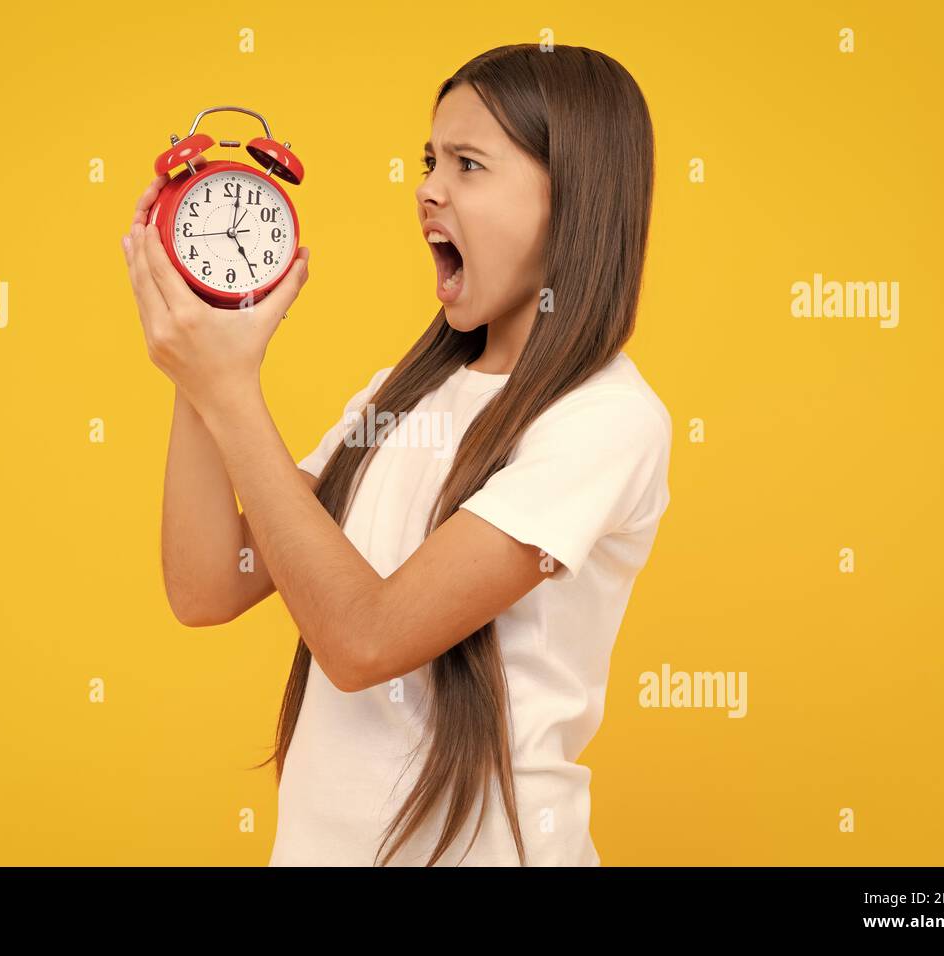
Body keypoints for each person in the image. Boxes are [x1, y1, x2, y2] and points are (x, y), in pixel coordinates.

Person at [121, 43, 671, 867]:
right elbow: (210, 583)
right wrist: (196, 356)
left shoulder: (603, 419)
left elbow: (365, 642)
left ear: (574, 201)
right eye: (428, 159)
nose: (427, 188)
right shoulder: (400, 393)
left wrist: (232, 393)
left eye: (469, 164)